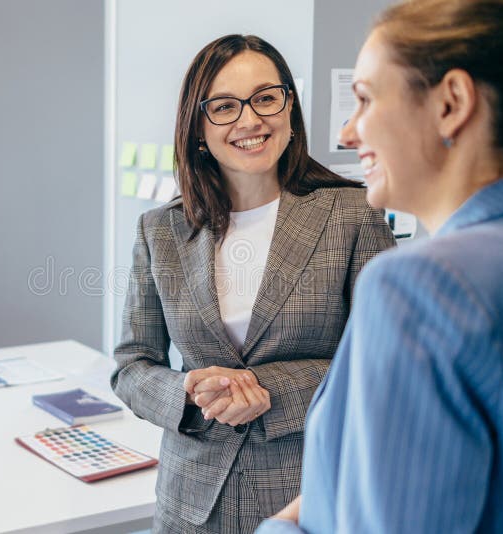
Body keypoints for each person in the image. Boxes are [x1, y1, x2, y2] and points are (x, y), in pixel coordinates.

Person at [257, 1, 503, 532]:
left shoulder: (419, 287)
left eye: (364, 100)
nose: (347, 133)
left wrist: (285, 526)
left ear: (451, 102)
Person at [111, 34, 395, 533]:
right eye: (224, 106)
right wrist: (189, 391)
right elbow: (132, 366)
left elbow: (385, 363)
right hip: (189, 505)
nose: (249, 120)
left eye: (266, 97)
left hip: (310, 496)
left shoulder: (353, 212)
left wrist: (271, 390)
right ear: (198, 128)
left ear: (290, 108)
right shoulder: (160, 229)